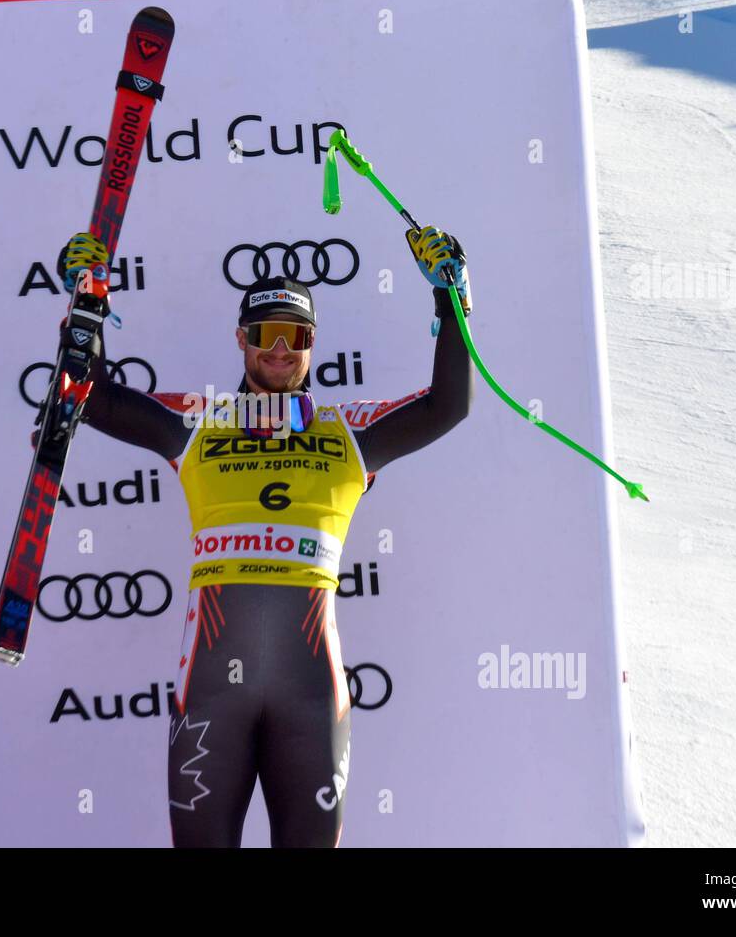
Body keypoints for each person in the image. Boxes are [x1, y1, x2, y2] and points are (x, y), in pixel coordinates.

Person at [61, 225, 475, 846]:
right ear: (240, 340)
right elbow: (90, 397)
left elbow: (449, 405)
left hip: (309, 697)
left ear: (313, 345)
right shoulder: (199, 423)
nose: (279, 350)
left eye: (296, 337)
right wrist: (86, 300)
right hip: (208, 695)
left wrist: (452, 299)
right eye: (264, 336)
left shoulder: (348, 431)